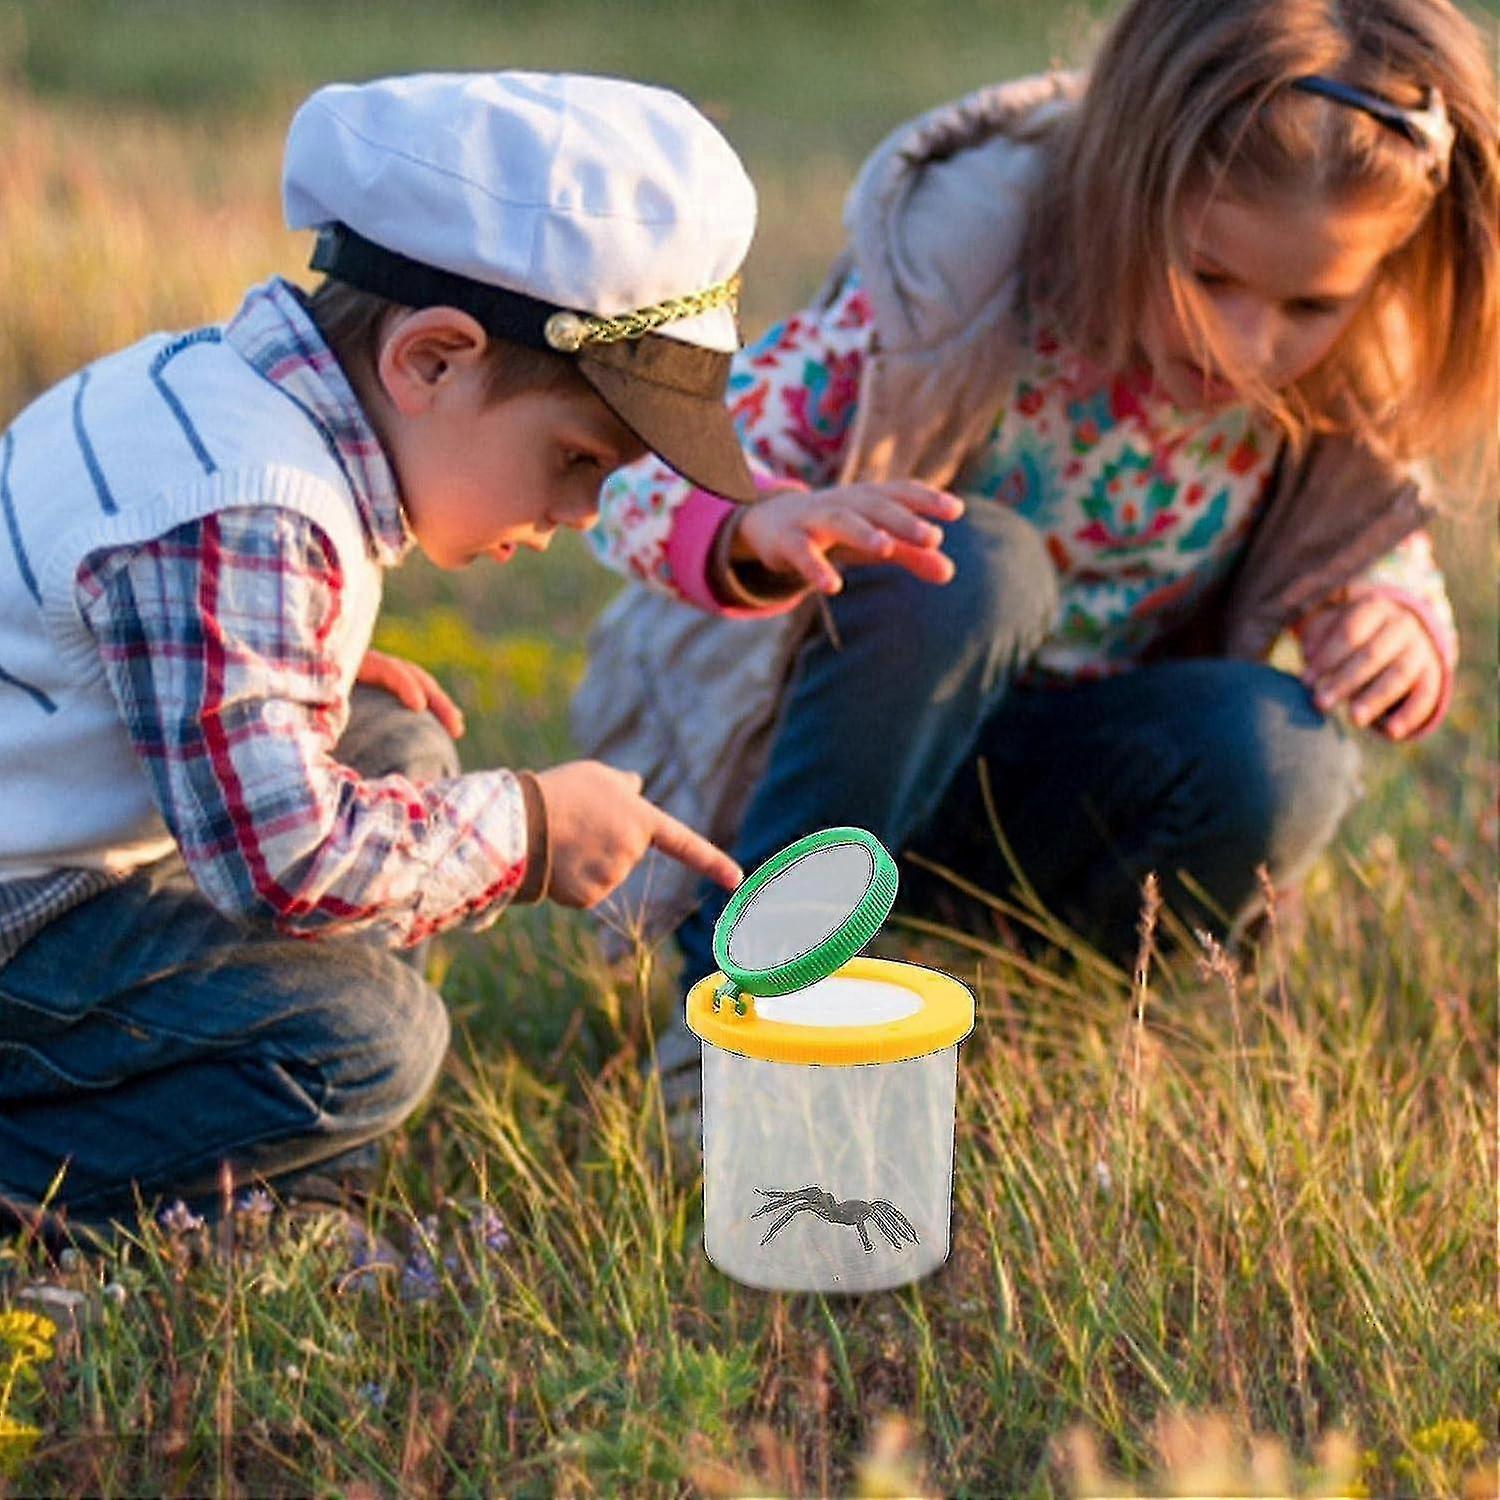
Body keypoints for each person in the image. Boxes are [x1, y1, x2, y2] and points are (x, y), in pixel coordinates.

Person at [569, 0, 1497, 1104]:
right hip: (839, 761)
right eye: (1208, 277)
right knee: (972, 566)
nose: (1246, 346)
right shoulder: (953, 283)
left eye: (1312, 302)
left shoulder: (1339, 383)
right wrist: (753, 522)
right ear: (1124, 190)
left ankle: (1054, 1004)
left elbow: (1366, 542)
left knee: (1283, 748)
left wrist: (1385, 620)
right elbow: (644, 471)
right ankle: (752, 1009)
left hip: (1066, 791)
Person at [0, 70, 764, 1233]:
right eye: (575, 460)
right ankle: (88, 1167)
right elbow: (287, 861)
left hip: (53, 839)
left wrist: (294, 665)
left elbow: (118, 619)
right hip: (25, 916)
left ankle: (269, 1145)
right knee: (370, 1038)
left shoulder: (212, 389)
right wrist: (530, 832)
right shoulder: (246, 504)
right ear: (432, 360)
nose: (580, 513)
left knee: (396, 743)